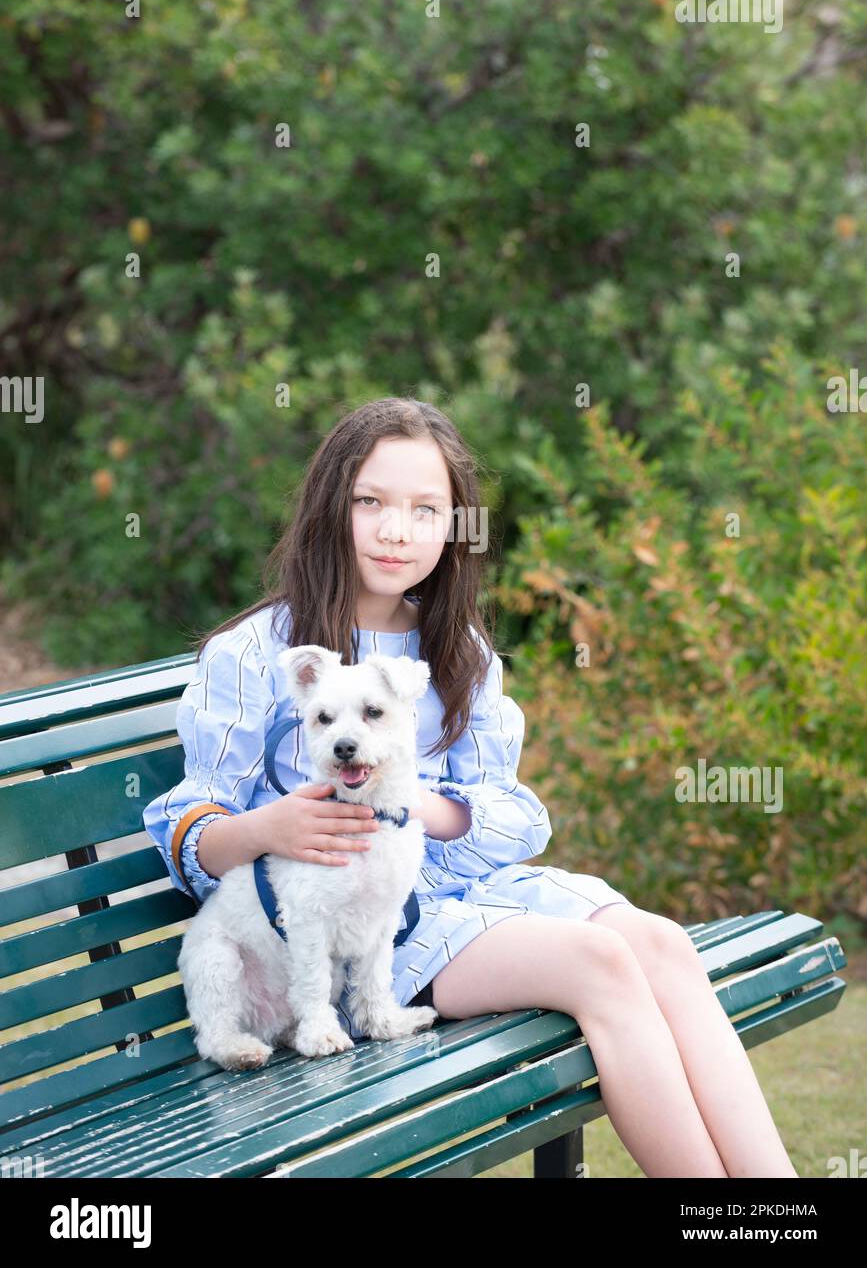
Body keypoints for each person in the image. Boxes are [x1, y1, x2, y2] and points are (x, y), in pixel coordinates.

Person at [143, 396, 797, 1178]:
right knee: (603, 965)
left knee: (659, 942)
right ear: (330, 506)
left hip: (474, 888)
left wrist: (417, 802)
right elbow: (189, 818)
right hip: (379, 928)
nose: (396, 529)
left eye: (425, 510)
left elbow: (512, 813)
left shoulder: (458, 650)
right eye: (371, 502)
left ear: (452, 528)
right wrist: (263, 830)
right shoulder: (259, 653)